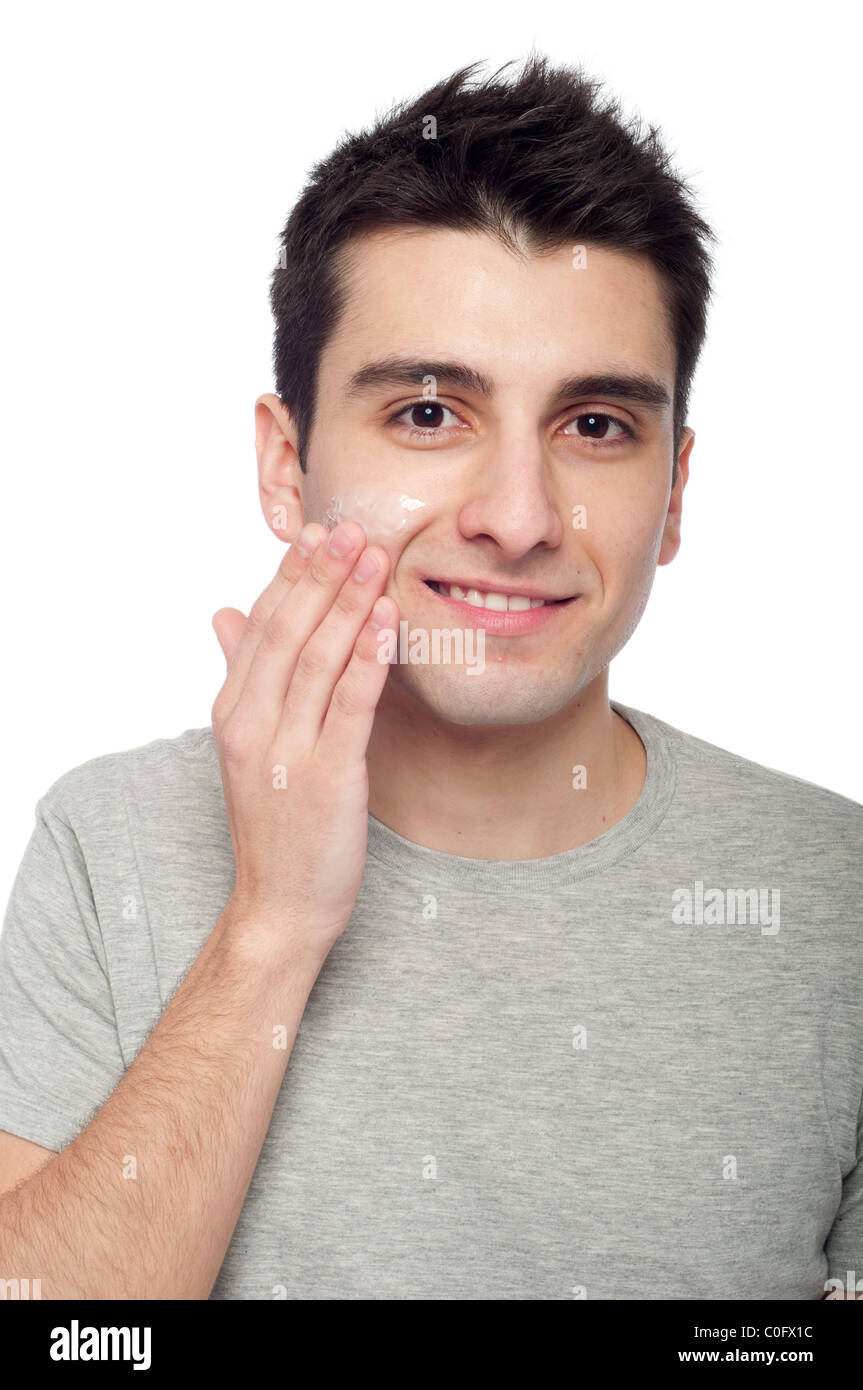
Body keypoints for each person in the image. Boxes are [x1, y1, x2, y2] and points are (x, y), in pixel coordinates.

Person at [0, 55, 860, 1301]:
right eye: (425, 413)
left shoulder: (835, 899)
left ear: (672, 493)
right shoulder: (108, 846)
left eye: (596, 425)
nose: (516, 519)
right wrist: (269, 928)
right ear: (286, 466)